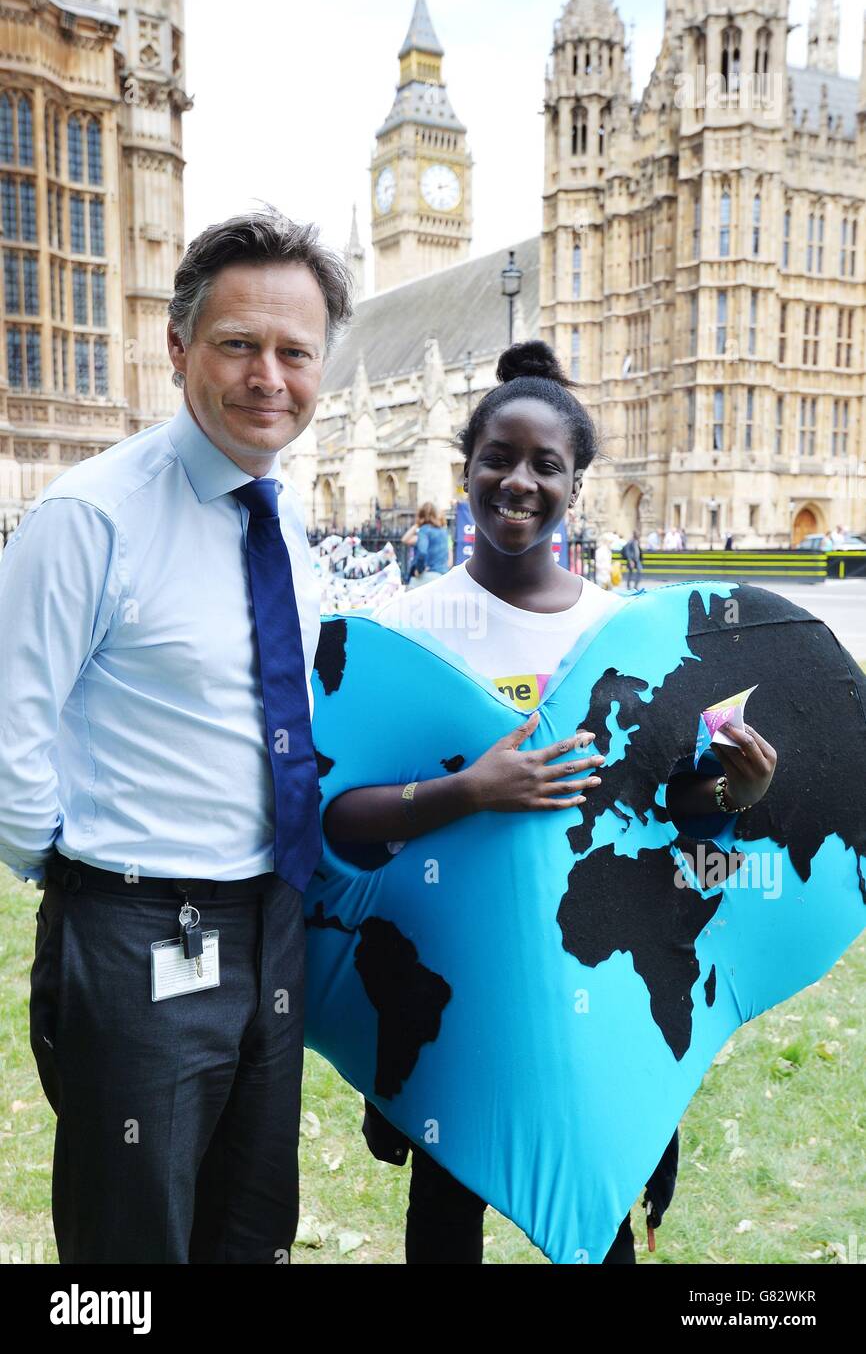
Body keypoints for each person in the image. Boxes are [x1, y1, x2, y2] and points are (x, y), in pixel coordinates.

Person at [322, 340, 778, 1264]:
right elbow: (338, 822)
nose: (518, 482)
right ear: (466, 469)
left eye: (546, 464)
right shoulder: (406, 628)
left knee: (600, 1224)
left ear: (578, 483)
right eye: (498, 458)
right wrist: (466, 791)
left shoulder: (624, 629)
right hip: (453, 990)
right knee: (445, 1229)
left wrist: (733, 788)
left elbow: (663, 807)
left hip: (598, 982)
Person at [0, 208, 353, 1263]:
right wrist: (88, 883)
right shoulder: (89, 517)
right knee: (130, 1240)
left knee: (251, 1226)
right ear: (177, 347)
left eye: (294, 351)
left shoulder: (283, 523)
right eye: (238, 344)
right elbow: (9, 724)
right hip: (138, 926)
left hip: (270, 918)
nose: (267, 377)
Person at [407, 501, 450, 588]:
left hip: (427, 575)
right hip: (442, 577)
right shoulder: (444, 531)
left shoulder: (424, 530)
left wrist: (419, 569)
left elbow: (422, 552)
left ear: (420, 514)